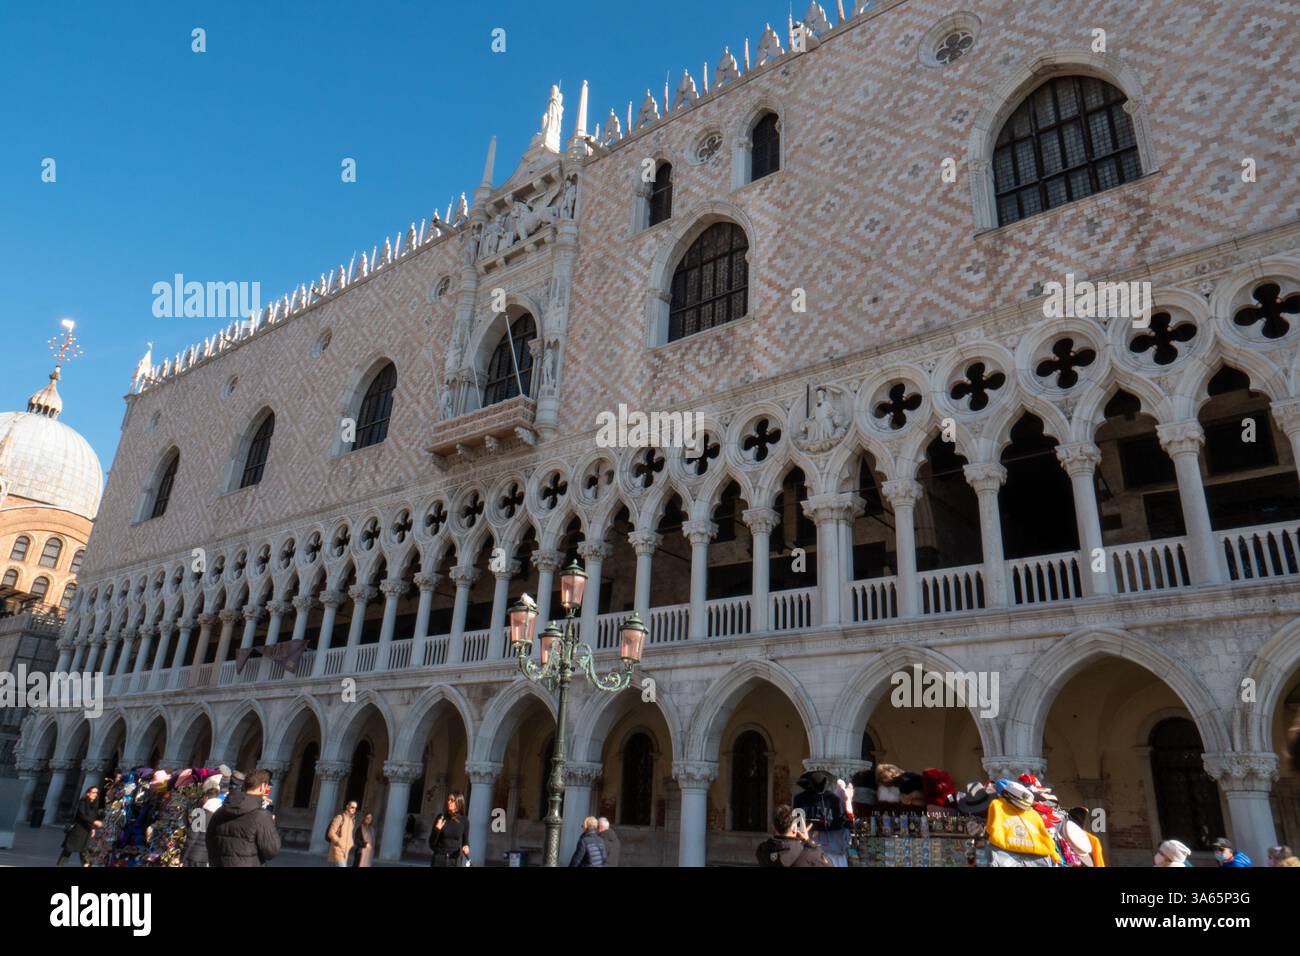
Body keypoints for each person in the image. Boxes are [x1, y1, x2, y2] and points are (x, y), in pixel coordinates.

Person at [206, 768, 281, 867]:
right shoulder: (262, 816)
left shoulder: (221, 810)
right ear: (263, 786)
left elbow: (209, 840)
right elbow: (271, 851)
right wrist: (271, 826)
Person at [793, 770, 851, 866]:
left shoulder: (800, 798)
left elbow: (796, 823)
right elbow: (842, 823)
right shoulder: (834, 799)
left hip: (808, 846)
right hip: (831, 848)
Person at [755, 804, 833, 867]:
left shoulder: (762, 850)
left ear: (774, 827)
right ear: (794, 828)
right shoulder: (807, 853)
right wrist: (808, 842)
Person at [182, 776, 224, 867]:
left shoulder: (200, 813)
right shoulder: (221, 814)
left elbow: (191, 838)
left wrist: (183, 857)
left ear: (206, 797)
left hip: (194, 857)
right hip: (208, 858)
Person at [56, 786, 102, 866]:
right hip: (77, 831)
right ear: (88, 793)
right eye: (94, 792)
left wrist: (93, 828)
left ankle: (85, 865)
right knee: (68, 850)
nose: (95, 794)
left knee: (85, 852)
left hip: (87, 831)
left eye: (97, 793)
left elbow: (93, 816)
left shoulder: (94, 804)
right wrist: (94, 822)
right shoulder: (83, 802)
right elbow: (82, 815)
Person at [428, 791, 469, 866]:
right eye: (448, 800)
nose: (449, 802)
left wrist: (466, 847)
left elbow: (465, 842)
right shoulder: (441, 817)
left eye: (452, 800)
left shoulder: (464, 820)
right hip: (439, 859)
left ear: (459, 802)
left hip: (454, 860)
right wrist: (437, 829)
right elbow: (431, 843)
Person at [327, 800, 358, 867]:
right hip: (338, 849)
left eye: (355, 808)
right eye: (352, 807)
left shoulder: (352, 820)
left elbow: (349, 834)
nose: (354, 809)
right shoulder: (340, 817)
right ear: (347, 806)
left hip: (346, 851)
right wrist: (339, 842)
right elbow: (331, 833)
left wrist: (351, 843)